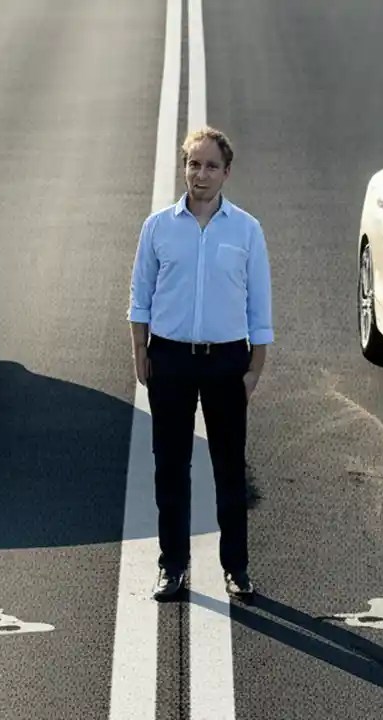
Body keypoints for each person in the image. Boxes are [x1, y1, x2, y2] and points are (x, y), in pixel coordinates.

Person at [127, 126, 274, 601]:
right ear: (183, 167)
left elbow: (260, 307)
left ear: (227, 172)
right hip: (169, 360)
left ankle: (236, 568)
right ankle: (172, 567)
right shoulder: (158, 227)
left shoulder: (246, 230)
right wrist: (140, 354)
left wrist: (254, 368)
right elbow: (140, 298)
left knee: (229, 469)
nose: (201, 174)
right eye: (193, 164)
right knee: (170, 468)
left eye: (211, 165)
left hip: (226, 363)